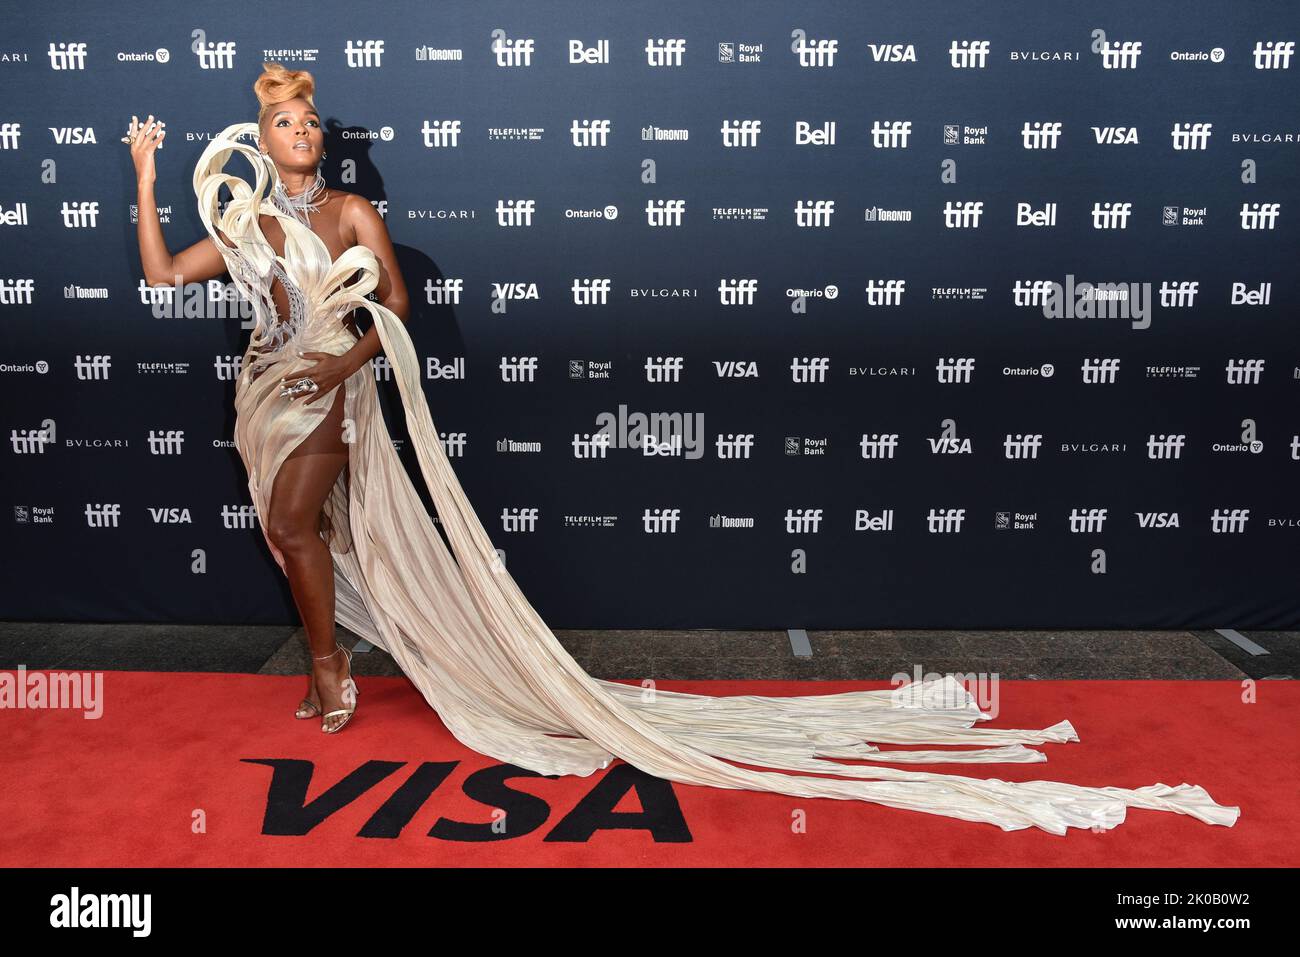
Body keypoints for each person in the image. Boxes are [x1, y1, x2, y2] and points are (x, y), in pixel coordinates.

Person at [127, 62, 1241, 834]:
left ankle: (329, 665)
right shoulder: (242, 226)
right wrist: (144, 176)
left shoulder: (354, 218)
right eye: (284, 126)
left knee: (288, 525)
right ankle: (335, 647)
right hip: (261, 392)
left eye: (311, 124)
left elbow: (396, 313)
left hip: (332, 389)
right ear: (259, 142)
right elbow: (164, 279)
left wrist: (345, 361)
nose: (301, 136)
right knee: (297, 533)